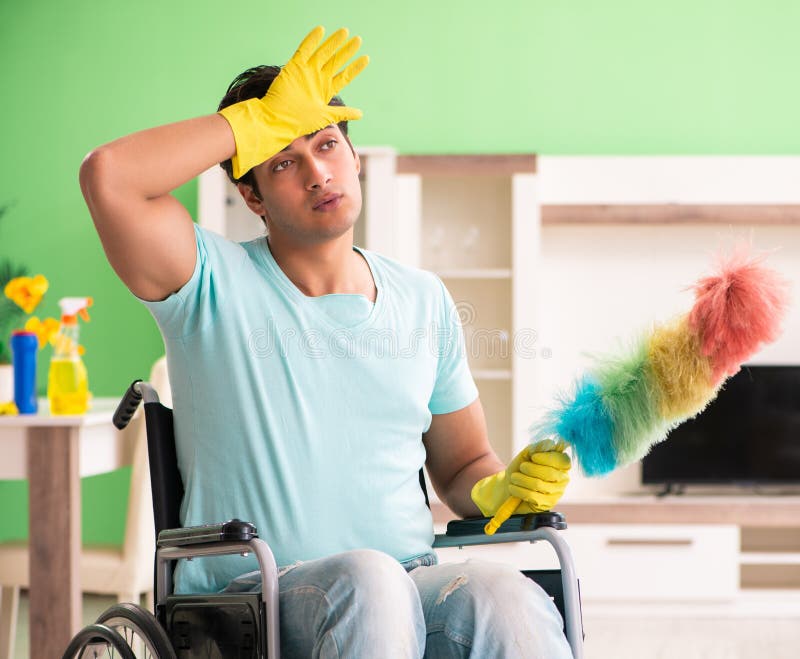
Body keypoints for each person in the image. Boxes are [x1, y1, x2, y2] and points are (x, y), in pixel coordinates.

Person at [80, 26, 573, 658]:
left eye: (327, 144)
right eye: (283, 160)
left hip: (408, 583)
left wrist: (495, 490)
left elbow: (460, 462)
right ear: (251, 195)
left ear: (355, 158)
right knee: (370, 581)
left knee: (505, 595)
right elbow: (109, 176)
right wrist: (251, 123)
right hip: (251, 601)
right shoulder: (207, 282)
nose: (318, 173)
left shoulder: (424, 300)